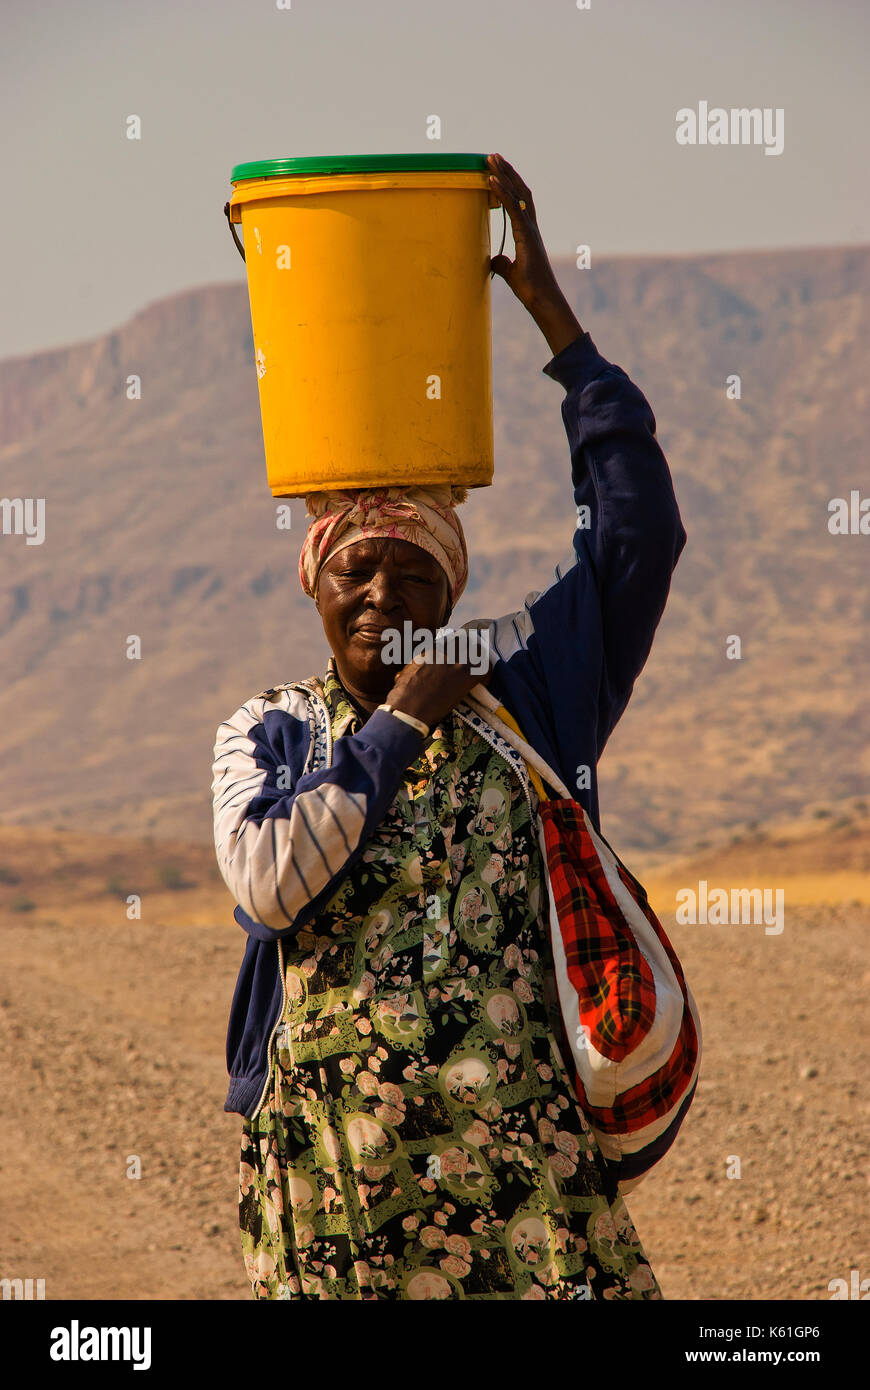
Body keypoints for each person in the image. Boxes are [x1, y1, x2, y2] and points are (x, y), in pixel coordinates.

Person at [211, 153, 691, 1300]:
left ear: (451, 589)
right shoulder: (269, 731)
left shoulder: (523, 694)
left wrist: (556, 328)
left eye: (411, 572)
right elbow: (272, 879)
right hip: (339, 1213)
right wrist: (401, 727)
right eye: (356, 572)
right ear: (315, 589)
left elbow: (638, 541)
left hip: (527, 1209)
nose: (381, 595)